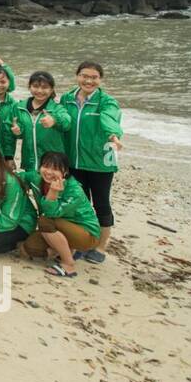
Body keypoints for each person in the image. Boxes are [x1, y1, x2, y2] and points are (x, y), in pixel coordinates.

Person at [59, 61, 123, 263]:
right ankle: (83, 242)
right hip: (74, 160)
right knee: (80, 203)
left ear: (100, 80)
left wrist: (113, 134)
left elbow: (109, 119)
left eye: (94, 77)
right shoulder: (67, 98)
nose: (89, 80)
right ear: (77, 76)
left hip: (100, 162)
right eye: (84, 76)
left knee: (101, 203)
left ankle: (101, 247)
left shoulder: (106, 101)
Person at [17, 152, 101, 278]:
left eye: (55, 169)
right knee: (29, 248)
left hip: (86, 233)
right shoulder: (36, 178)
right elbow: (16, 176)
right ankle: (64, 250)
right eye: (46, 166)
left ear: (65, 172)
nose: (49, 172)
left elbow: (51, 214)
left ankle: (68, 264)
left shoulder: (74, 190)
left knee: (45, 221)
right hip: (58, 228)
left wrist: (53, 192)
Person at [11, 71, 71, 173]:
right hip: (29, 162)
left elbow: (67, 123)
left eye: (44, 87)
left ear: (51, 89)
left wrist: (54, 120)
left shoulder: (57, 108)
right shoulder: (19, 107)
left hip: (53, 163)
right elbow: (19, 132)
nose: (39, 90)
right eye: (35, 86)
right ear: (29, 87)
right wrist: (18, 131)